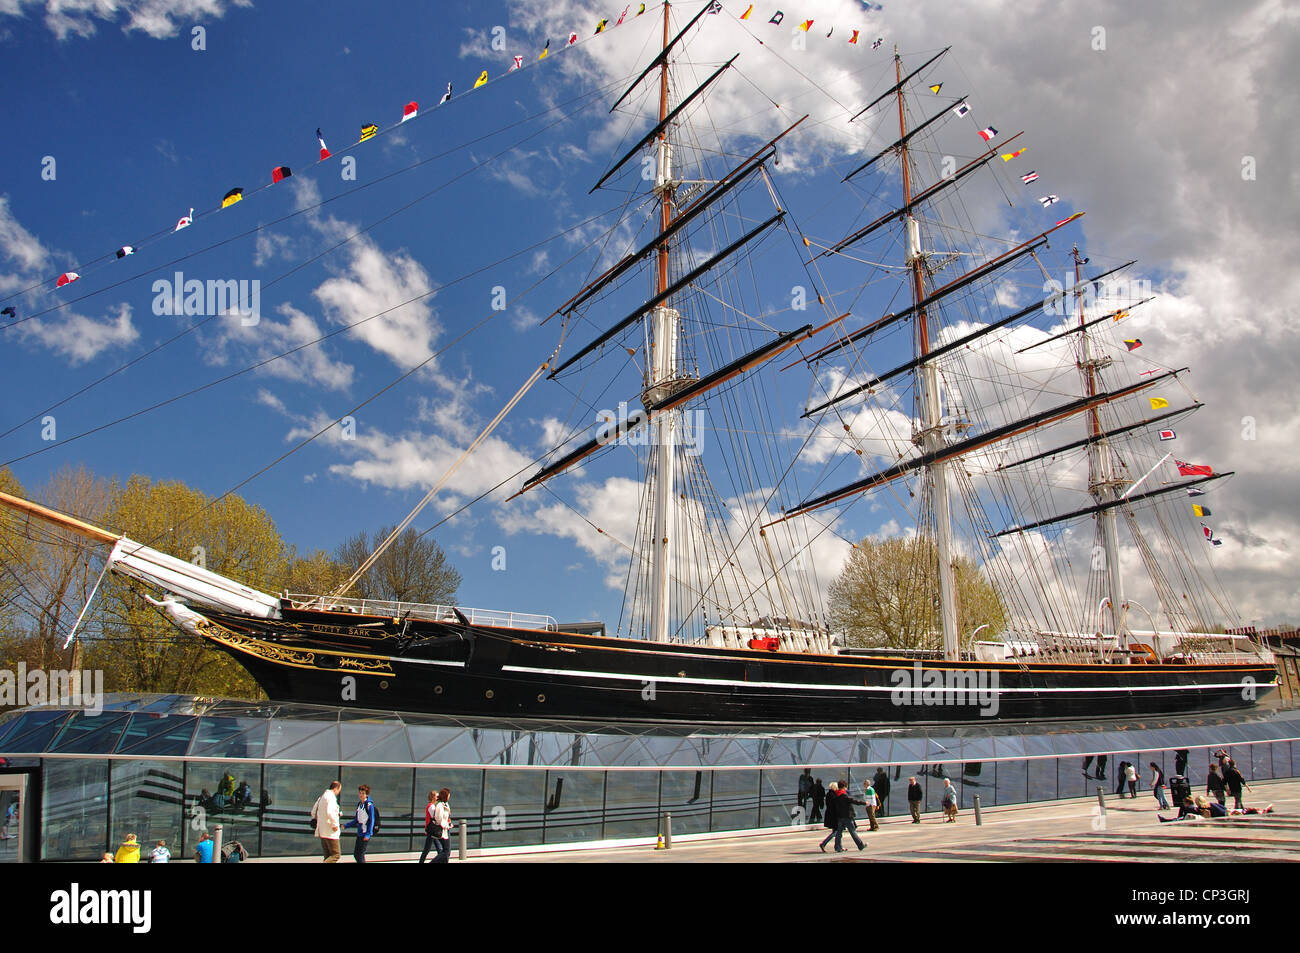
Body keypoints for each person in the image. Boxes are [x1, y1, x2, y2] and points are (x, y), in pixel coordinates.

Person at [344, 783, 377, 863]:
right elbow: (357, 819)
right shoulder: (359, 804)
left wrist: (368, 834)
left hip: (365, 833)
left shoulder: (369, 805)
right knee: (356, 854)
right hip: (360, 833)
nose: (361, 795)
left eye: (363, 793)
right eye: (360, 793)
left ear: (366, 794)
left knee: (360, 854)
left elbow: (372, 820)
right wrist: (346, 825)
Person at [311, 780, 343, 863]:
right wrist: (334, 825)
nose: (338, 793)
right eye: (339, 790)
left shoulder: (321, 797)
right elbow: (330, 812)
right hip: (330, 832)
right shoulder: (331, 798)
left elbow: (313, 812)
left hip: (322, 831)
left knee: (328, 856)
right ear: (336, 788)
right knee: (336, 855)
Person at [430, 788, 452, 863]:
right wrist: (445, 825)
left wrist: (449, 823)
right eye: (448, 795)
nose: (449, 796)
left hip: (446, 830)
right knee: (446, 851)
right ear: (445, 796)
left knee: (446, 852)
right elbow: (438, 818)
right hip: (441, 830)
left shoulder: (446, 804)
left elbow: (447, 816)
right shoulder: (439, 805)